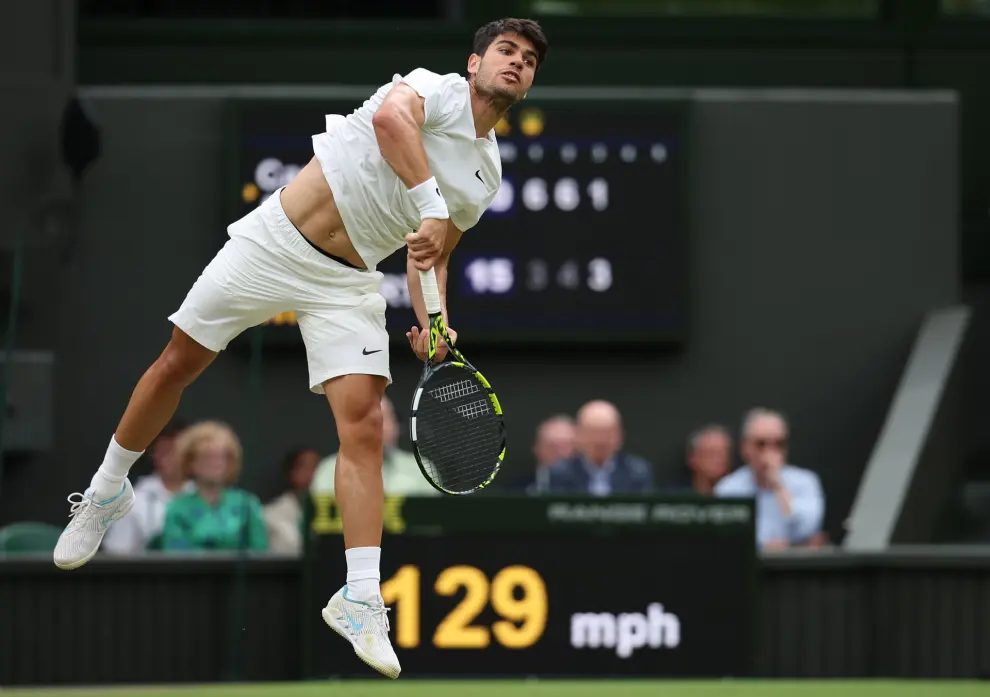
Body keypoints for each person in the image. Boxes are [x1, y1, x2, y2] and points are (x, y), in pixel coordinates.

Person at [52, 17, 548, 679]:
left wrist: (435, 321)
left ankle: (362, 596)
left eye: (529, 60)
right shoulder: (434, 90)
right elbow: (390, 124)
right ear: (474, 63)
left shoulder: (485, 174)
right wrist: (428, 205)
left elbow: (435, 254)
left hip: (346, 285)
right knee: (178, 361)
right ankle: (106, 491)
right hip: (274, 241)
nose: (517, 63)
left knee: (365, 426)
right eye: (506, 51)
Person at [159, 420, 268, 553]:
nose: (215, 464)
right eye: (207, 457)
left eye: (221, 457)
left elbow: (260, 553)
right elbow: (175, 557)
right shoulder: (177, 508)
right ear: (190, 462)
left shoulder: (247, 504)